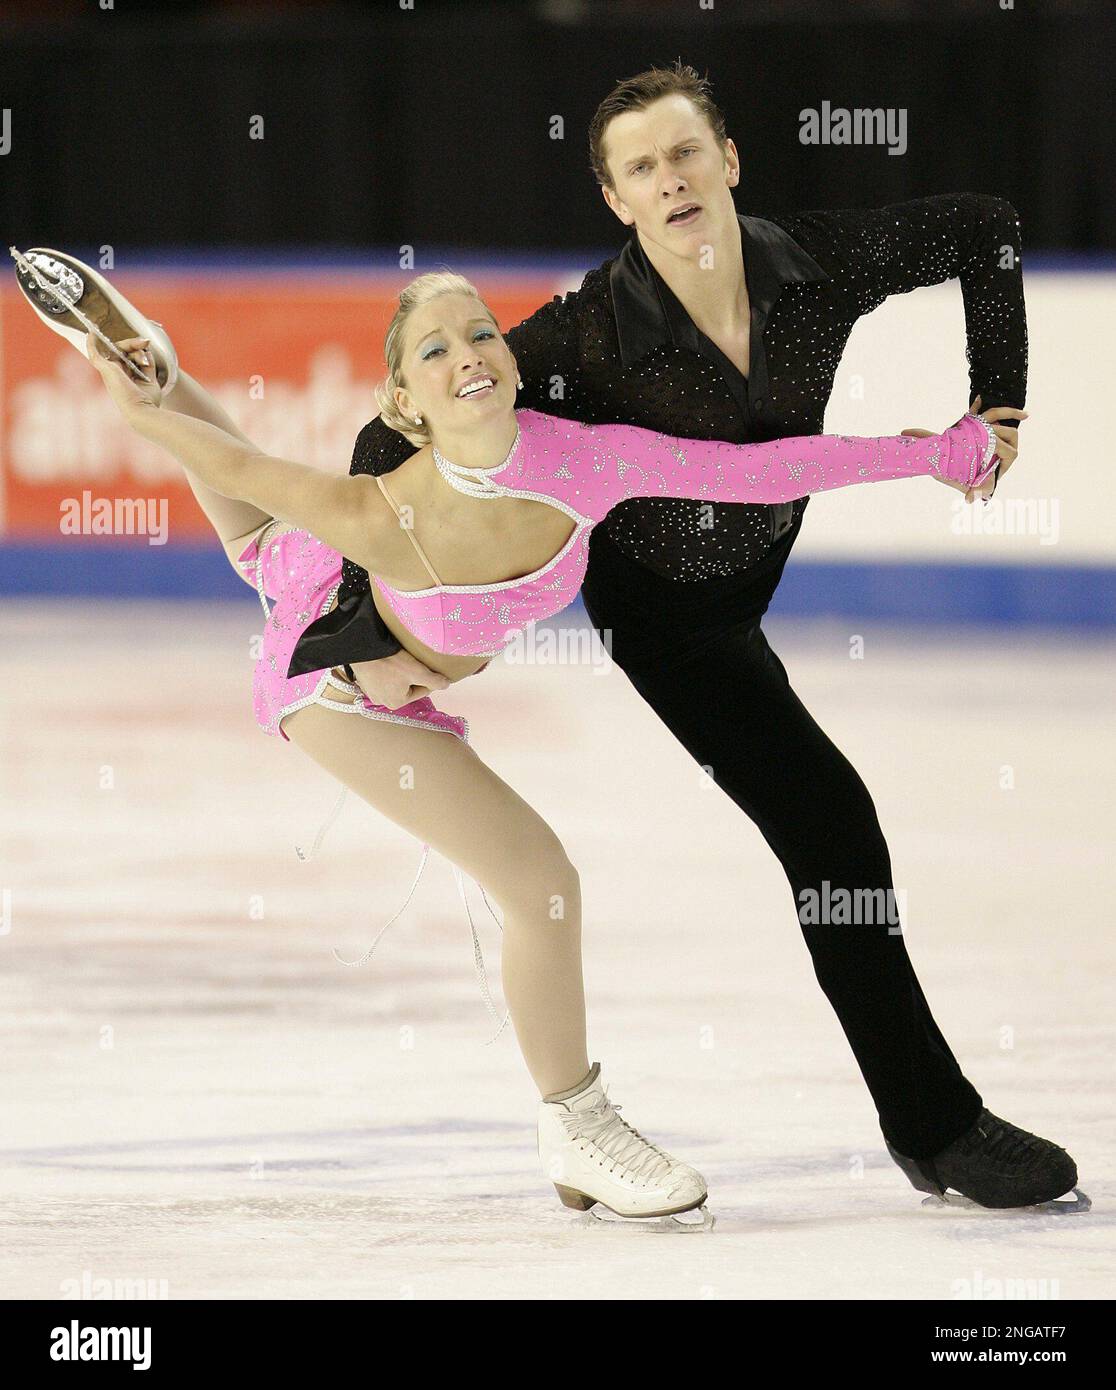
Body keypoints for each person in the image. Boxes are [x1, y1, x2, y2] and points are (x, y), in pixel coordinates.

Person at [16, 245, 1016, 1223]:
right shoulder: (385, 511)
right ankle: (576, 1123)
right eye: (435, 352)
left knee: (267, 552)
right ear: (405, 402)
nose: (469, 356)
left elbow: (759, 469)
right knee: (542, 884)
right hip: (333, 685)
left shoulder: (581, 460)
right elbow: (235, 464)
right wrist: (140, 408)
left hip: (306, 569)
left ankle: (158, 357)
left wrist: (931, 454)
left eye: (480, 332)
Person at [286, 63, 1081, 1213]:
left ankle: (926, 1120)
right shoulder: (583, 338)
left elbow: (990, 232)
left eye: (685, 154)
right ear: (616, 200)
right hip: (667, 620)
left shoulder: (819, 265)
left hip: (753, 580)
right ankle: (937, 1126)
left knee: (832, 832)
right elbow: (383, 434)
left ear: (729, 162)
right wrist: (372, 612)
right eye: (642, 168)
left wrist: (998, 399)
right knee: (835, 828)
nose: (670, 181)